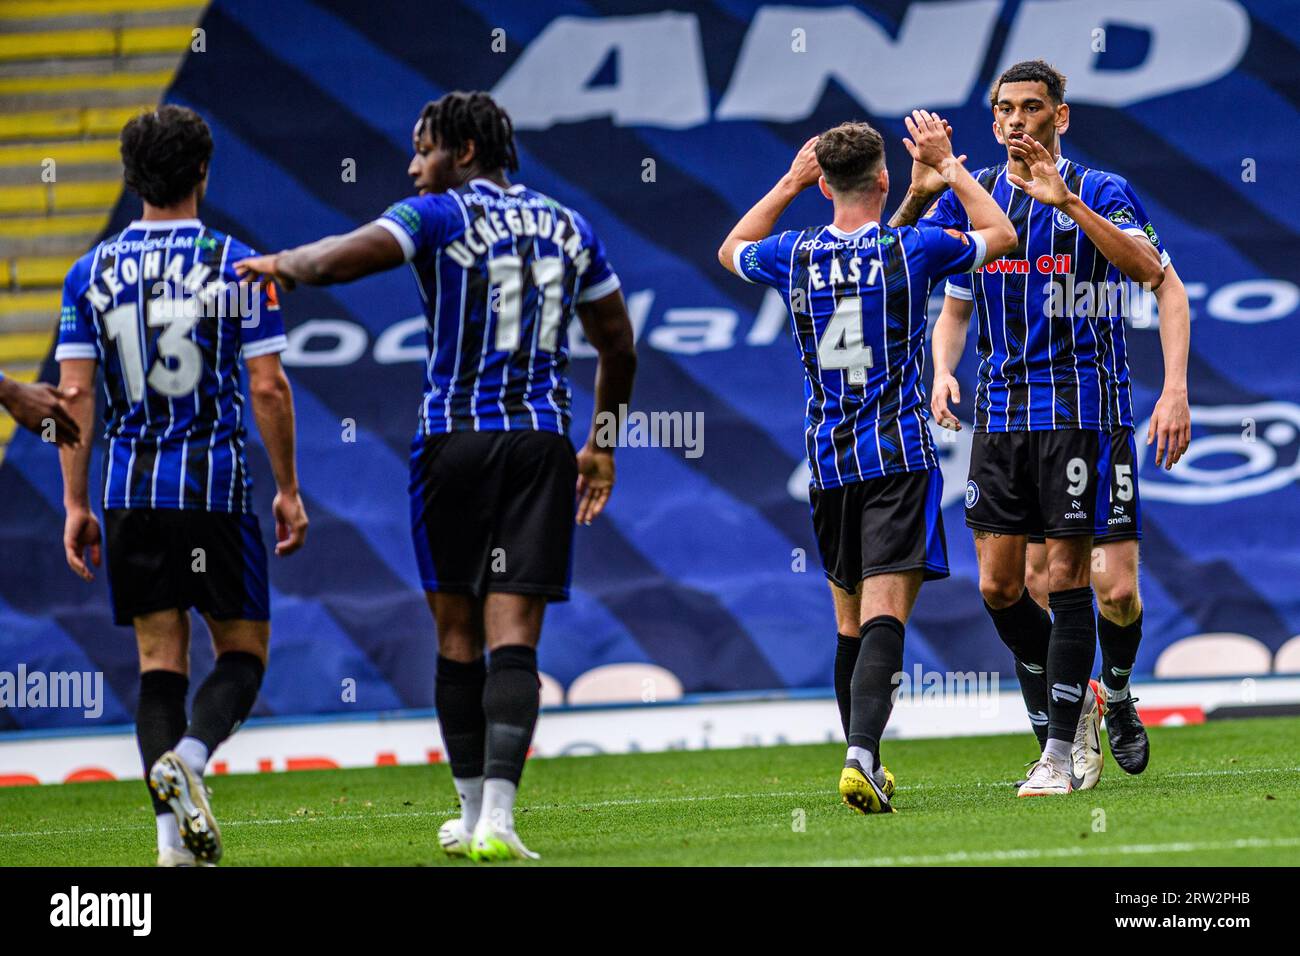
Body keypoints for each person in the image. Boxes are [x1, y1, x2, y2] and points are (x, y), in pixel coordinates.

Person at [234, 91, 636, 860]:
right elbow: (618, 348)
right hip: (541, 445)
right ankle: (500, 823)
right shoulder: (570, 225)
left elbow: (341, 259)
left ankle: (468, 808)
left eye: (423, 150)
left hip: (454, 444)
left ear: (465, 153)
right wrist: (604, 443)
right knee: (516, 636)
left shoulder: (441, 215)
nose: (414, 167)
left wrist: (279, 263)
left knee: (457, 635)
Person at [892, 60, 1179, 795]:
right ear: (993, 121)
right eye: (1005, 110)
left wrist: (1067, 204)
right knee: (998, 585)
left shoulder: (1100, 189)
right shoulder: (977, 194)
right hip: (1001, 416)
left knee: (1100, 586)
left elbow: (1152, 271)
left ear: (1061, 116)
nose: (1018, 120)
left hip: (1087, 413)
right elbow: (928, 289)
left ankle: (1090, 713)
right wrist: (943, 368)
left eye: (1032, 108)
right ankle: (1071, 702)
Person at [719, 113, 1015, 813]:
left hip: (828, 465)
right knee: (887, 617)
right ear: (885, 180)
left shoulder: (792, 253)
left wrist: (788, 181)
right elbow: (1002, 235)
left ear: (824, 186)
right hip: (898, 456)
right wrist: (949, 167)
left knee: (850, 623)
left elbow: (731, 246)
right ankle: (860, 754)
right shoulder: (913, 249)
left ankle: (865, 758)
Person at [56, 105, 308, 865]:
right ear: (203, 171)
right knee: (244, 653)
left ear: (131, 177)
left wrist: (74, 501)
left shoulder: (89, 272)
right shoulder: (239, 266)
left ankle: (170, 848)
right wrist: (288, 488)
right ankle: (191, 760)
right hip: (215, 489)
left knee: (159, 664)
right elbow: (268, 388)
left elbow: (73, 397)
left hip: (130, 493)